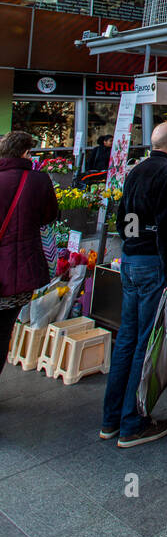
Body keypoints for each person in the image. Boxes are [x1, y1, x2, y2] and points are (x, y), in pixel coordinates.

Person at [101, 121, 167, 448]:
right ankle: (132, 423)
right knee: (145, 344)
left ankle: (111, 420)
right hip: (153, 265)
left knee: (125, 339)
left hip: (132, 261)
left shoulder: (136, 170)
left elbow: (124, 218)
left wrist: (133, 246)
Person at [0, 132, 59, 377]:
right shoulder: (38, 181)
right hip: (17, 271)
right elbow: (49, 216)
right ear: (26, 153)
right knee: (3, 331)